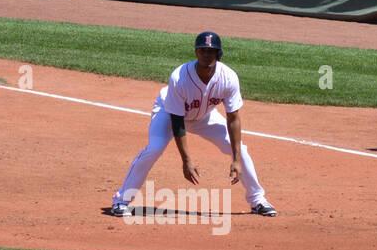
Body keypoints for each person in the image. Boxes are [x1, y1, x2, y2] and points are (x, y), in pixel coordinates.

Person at [109, 32, 276, 219]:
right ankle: (120, 201)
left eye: (211, 51)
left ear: (218, 54)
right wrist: (186, 160)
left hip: (204, 116)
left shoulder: (228, 77)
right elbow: (177, 121)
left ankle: (258, 200)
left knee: (240, 150)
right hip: (169, 112)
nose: (207, 54)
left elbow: (233, 118)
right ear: (196, 52)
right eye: (202, 50)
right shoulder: (180, 77)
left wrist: (236, 158)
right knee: (155, 148)